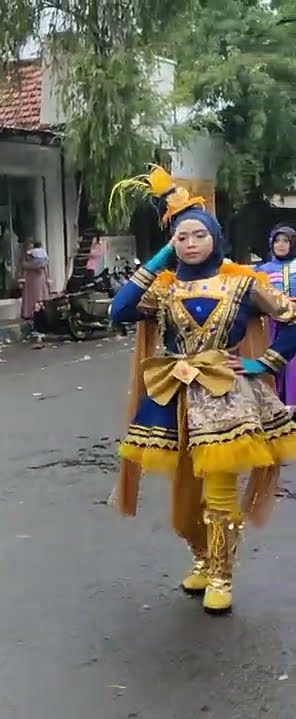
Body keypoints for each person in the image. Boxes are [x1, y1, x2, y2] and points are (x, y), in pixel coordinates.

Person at [109, 166, 296, 615]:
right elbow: (119, 310)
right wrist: (160, 259)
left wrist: (263, 362)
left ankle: (221, 575)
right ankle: (200, 556)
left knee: (219, 488)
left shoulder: (243, 281)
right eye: (181, 238)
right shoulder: (166, 288)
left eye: (197, 235)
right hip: (174, 394)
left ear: (215, 238)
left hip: (227, 395)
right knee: (185, 489)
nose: (189, 244)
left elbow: (290, 319)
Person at [254, 224, 296, 406]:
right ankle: (276, 405)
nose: (280, 245)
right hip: (271, 325)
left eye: (285, 241)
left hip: (294, 321)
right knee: (271, 363)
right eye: (277, 240)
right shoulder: (262, 270)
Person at [18, 240, 50, 321]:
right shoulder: (27, 256)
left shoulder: (40, 255)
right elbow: (23, 265)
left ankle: (40, 312)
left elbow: (45, 266)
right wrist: (34, 266)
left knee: (39, 295)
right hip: (31, 278)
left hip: (39, 278)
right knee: (30, 296)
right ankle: (28, 313)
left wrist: (47, 277)